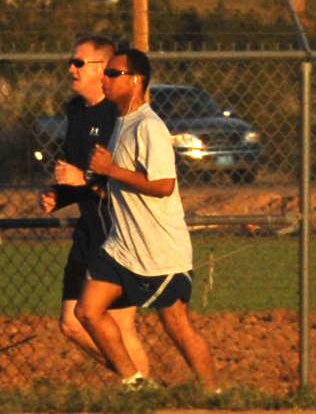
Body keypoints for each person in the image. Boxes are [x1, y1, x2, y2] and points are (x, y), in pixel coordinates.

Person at [75, 48, 216, 390]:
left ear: (136, 81)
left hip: (159, 252)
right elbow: (123, 186)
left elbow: (164, 185)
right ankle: (137, 384)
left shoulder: (149, 126)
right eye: (104, 73)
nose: (104, 79)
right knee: (86, 312)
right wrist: (93, 182)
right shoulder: (122, 123)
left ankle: (215, 394)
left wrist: (111, 169)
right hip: (124, 247)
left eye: (113, 74)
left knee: (178, 327)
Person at [43, 33, 150, 379]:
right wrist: (60, 195)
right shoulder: (75, 110)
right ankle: (136, 379)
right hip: (89, 231)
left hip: (120, 234)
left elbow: (125, 182)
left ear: (102, 68)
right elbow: (79, 175)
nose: (71, 69)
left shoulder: (118, 116)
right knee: (72, 323)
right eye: (70, 62)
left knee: (119, 323)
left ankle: (140, 389)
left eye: (79, 63)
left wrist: (83, 180)